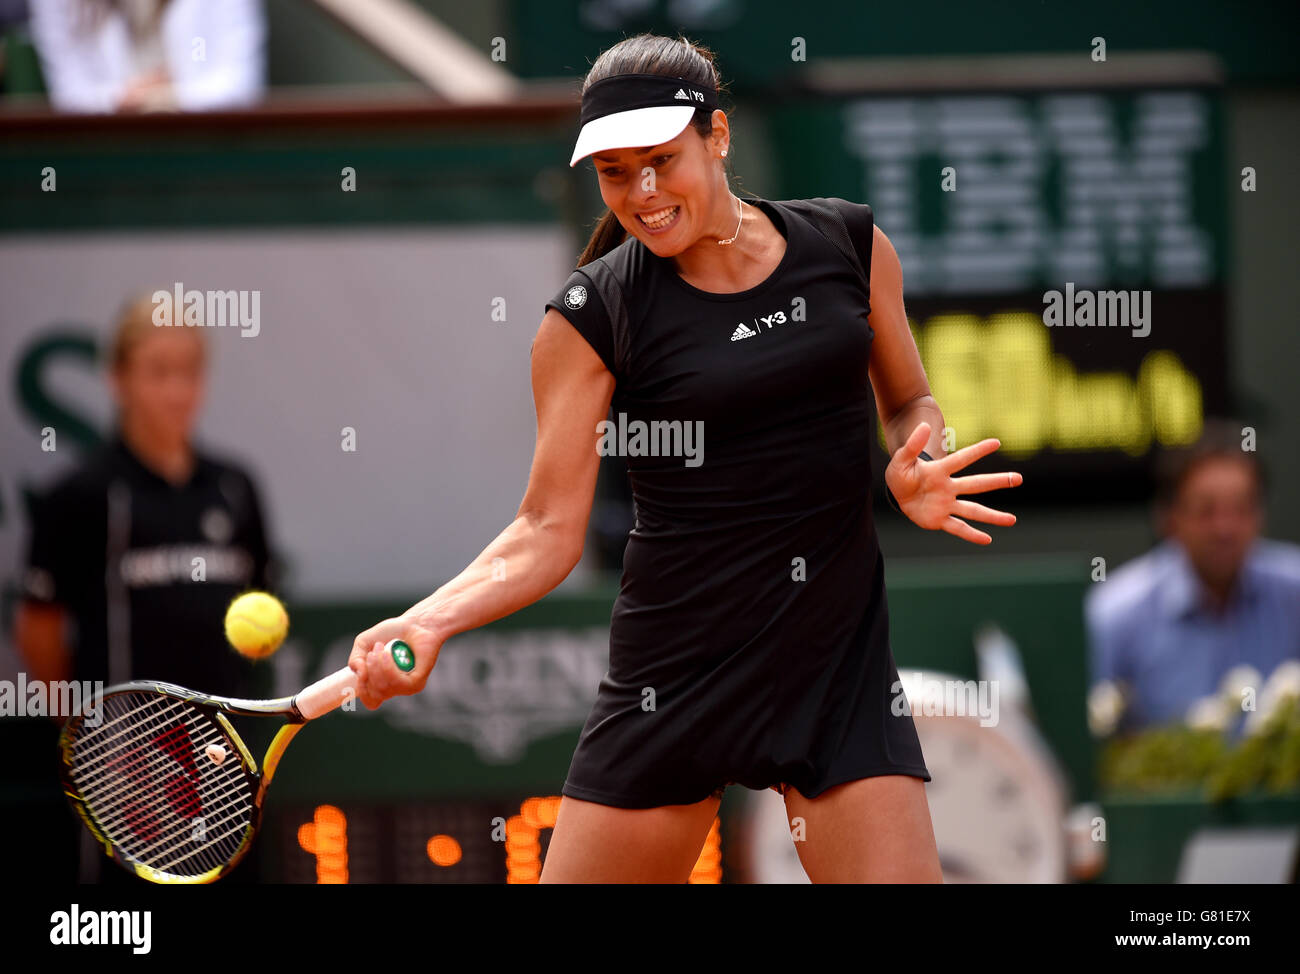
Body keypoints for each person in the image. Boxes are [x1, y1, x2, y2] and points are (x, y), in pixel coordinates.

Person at [346, 33, 1022, 883]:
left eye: (662, 160)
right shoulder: (590, 317)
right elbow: (546, 528)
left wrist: (917, 457)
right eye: (616, 173)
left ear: (720, 136)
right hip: (675, 679)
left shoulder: (850, 247)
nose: (644, 193)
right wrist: (430, 619)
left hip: (836, 673)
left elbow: (911, 402)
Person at [14, 291, 277, 881]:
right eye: (158, 372)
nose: (177, 390)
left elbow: (257, 613)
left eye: (189, 371)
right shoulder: (80, 497)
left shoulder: (237, 490)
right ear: (117, 379)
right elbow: (38, 633)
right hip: (125, 782)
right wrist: (95, 737)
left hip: (222, 773)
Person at [1085, 419, 1300, 735]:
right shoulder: (1114, 614)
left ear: (1260, 516)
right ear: (1169, 518)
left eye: (1241, 509)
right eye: (1206, 511)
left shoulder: (1293, 591)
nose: (1224, 529)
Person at [28, 0, 266, 113]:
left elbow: (239, 87)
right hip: (104, 157)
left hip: (205, 151)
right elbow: (70, 97)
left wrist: (168, 98)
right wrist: (124, 99)